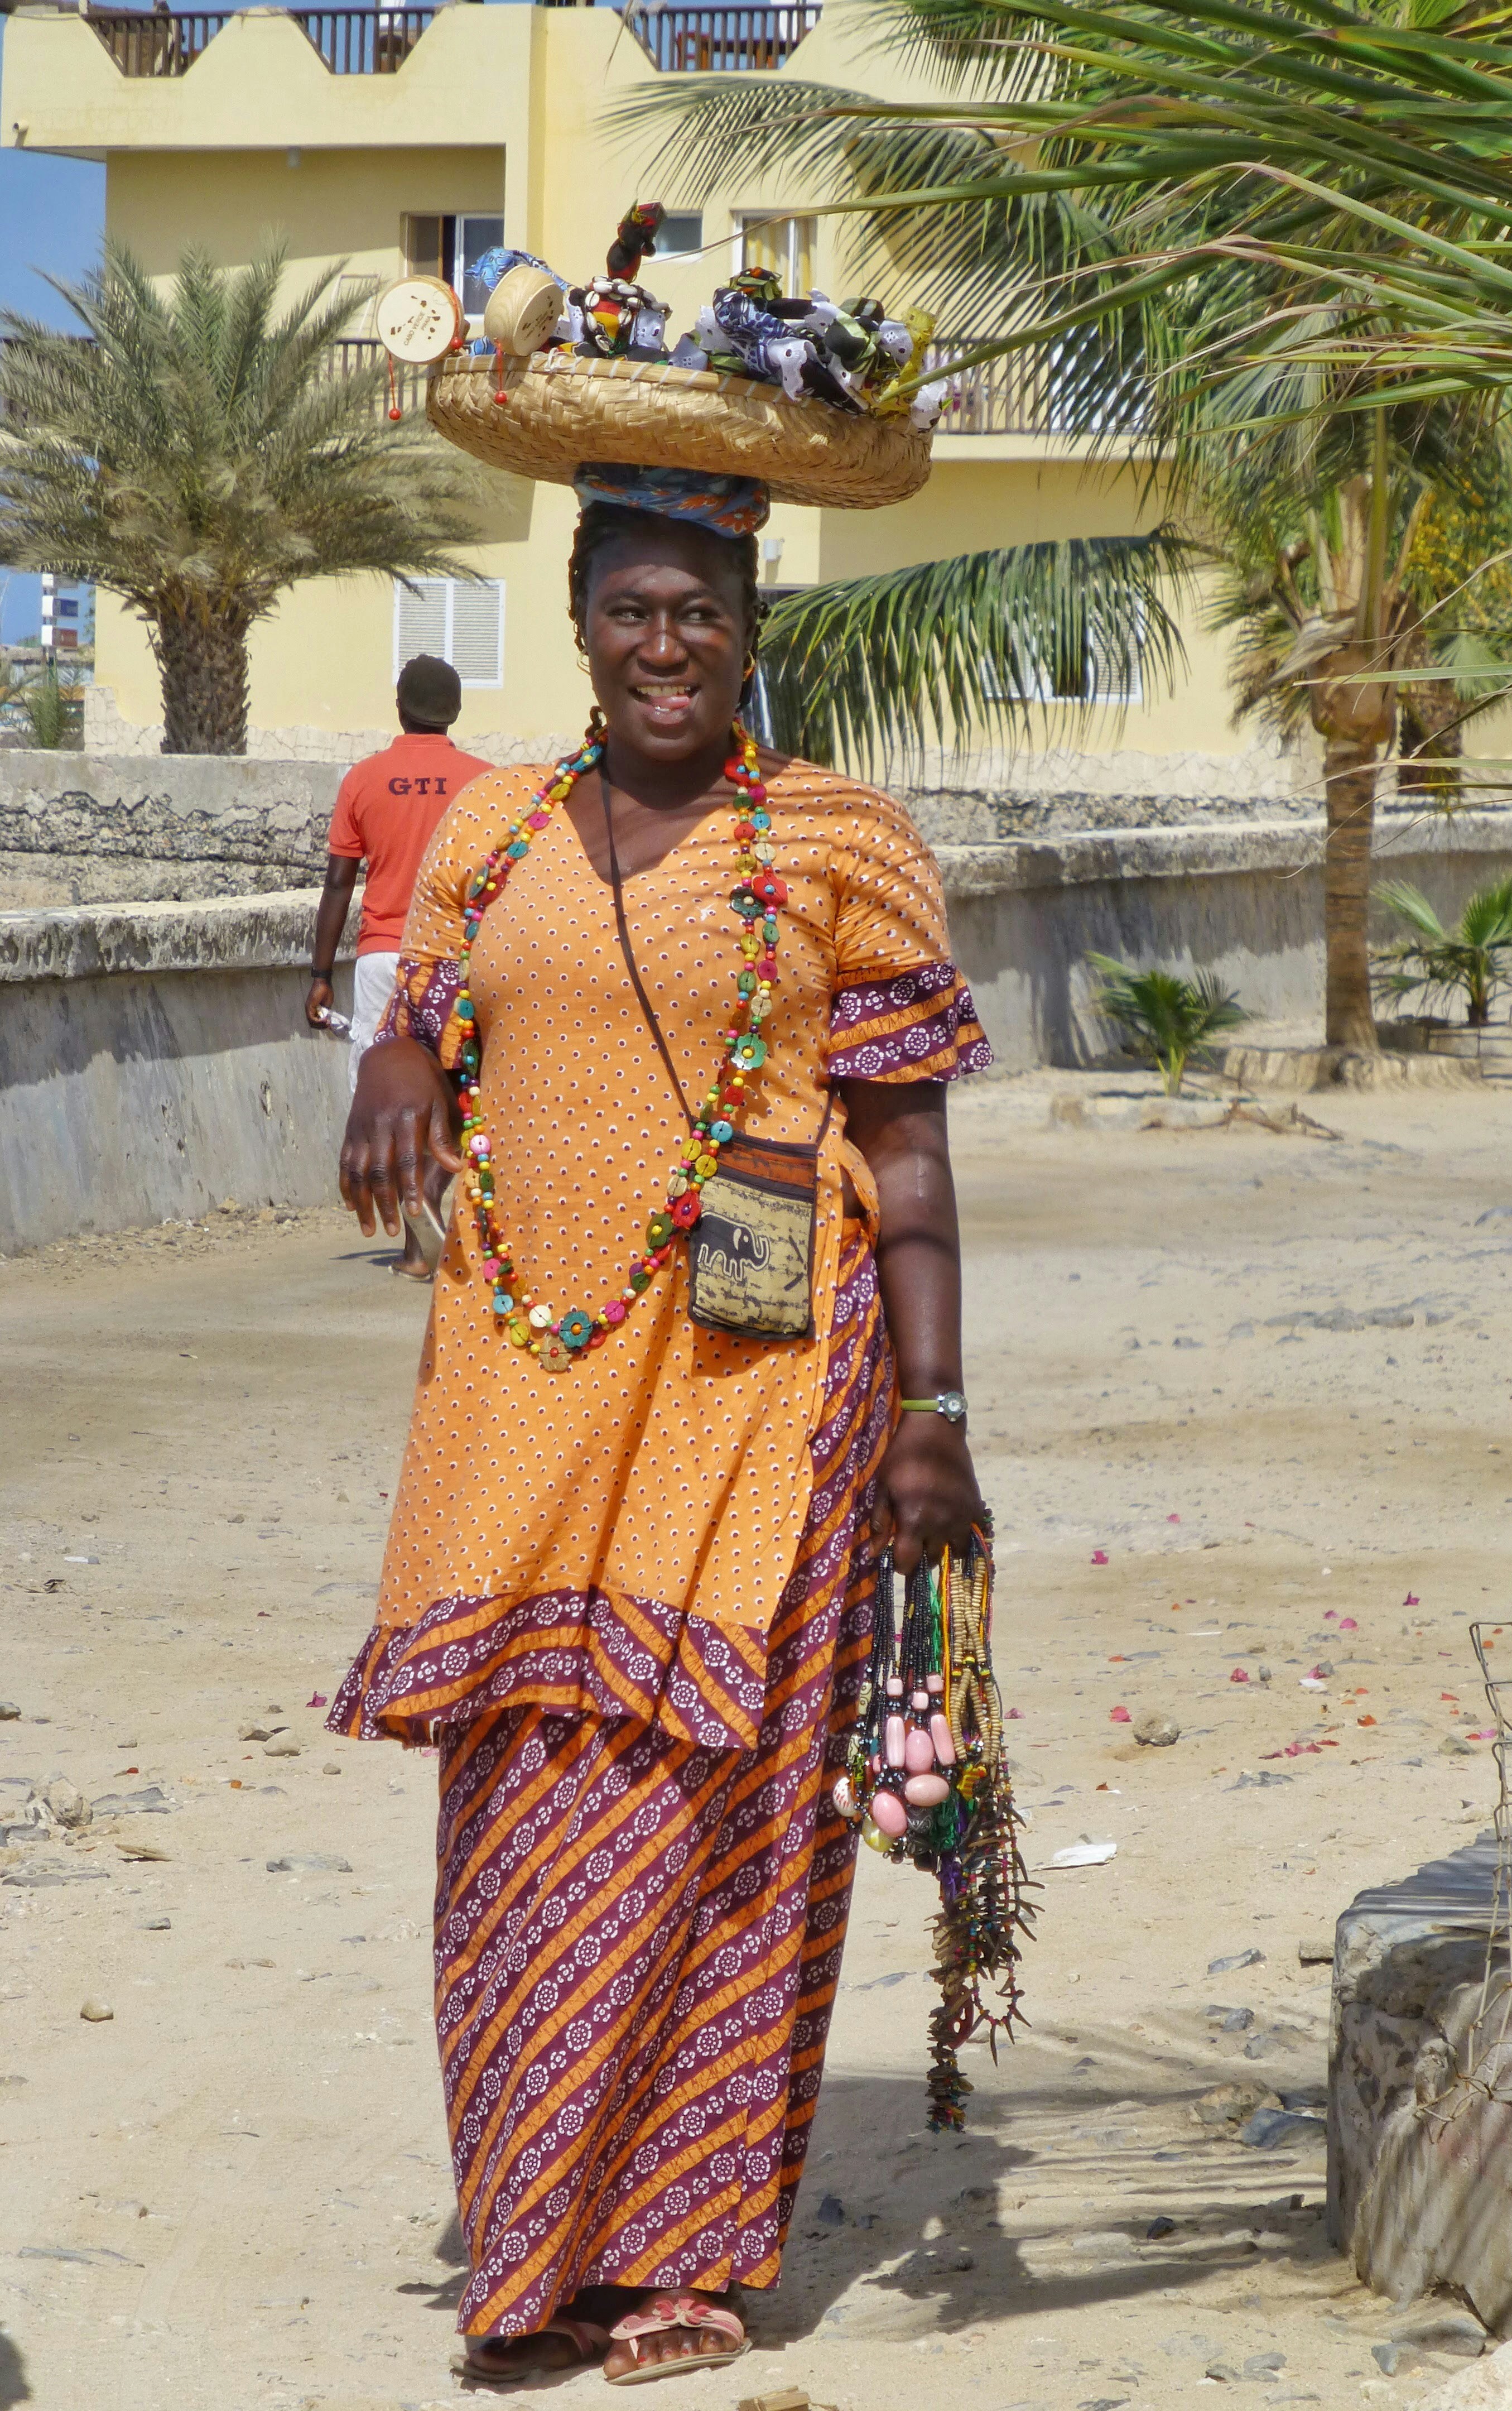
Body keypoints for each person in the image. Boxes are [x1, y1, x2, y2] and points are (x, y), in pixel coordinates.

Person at [329, 463, 991, 2388]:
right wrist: (390, 1055)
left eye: (700, 608)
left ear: (751, 622)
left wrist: (933, 1421)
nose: (667, 645)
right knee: (522, 1832)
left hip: (763, 1401)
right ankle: (532, 2257)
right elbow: (429, 1001)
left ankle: (692, 2256)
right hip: (522, 1413)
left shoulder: (839, 844)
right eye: (633, 608)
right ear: (579, 621)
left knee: (729, 1825)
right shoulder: (494, 834)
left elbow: (913, 1149)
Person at [307, 655, 490, 1272]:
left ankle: (415, 1242)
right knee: (460, 1092)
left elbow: (338, 886)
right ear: (456, 711)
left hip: (383, 957)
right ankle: (427, 1211)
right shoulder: (486, 784)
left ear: (400, 706)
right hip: (456, 962)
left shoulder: (364, 779)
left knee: (389, 1098)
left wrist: (318, 974)